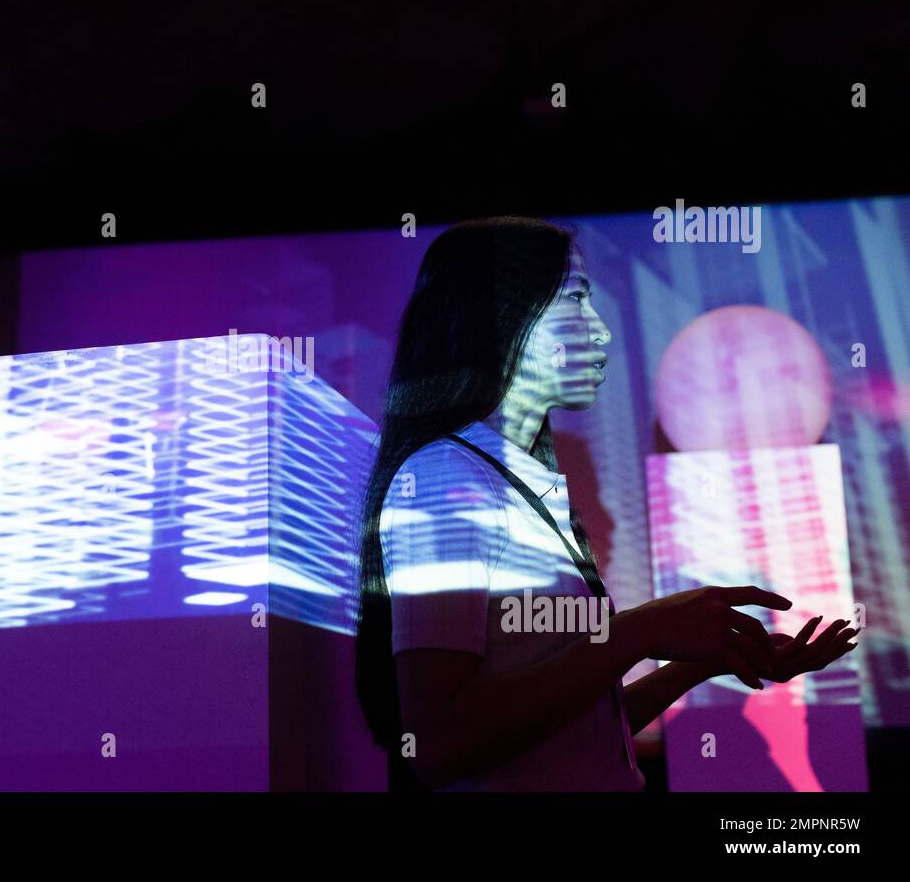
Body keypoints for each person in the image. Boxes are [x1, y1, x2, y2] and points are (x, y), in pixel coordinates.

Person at [353, 216, 859, 791]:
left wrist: (705, 658)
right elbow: (440, 744)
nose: (601, 332)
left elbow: (584, 731)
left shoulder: (516, 480)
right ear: (502, 313)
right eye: (574, 299)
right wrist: (644, 630)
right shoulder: (445, 480)